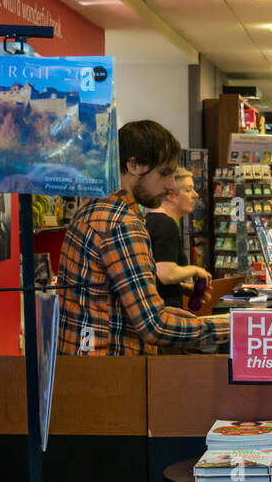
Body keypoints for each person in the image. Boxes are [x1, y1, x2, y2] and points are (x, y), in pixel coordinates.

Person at [56, 120, 228, 356]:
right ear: (133, 165)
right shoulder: (122, 224)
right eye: (165, 173)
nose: (170, 185)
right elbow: (154, 327)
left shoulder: (92, 207)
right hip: (112, 374)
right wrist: (234, 326)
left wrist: (161, 309)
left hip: (83, 364)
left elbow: (106, 300)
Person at [145, 167, 212, 311]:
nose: (195, 195)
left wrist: (181, 288)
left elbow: (154, 277)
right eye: (188, 190)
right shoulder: (166, 225)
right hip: (164, 312)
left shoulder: (152, 220)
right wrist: (194, 270)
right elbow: (166, 274)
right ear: (170, 195)